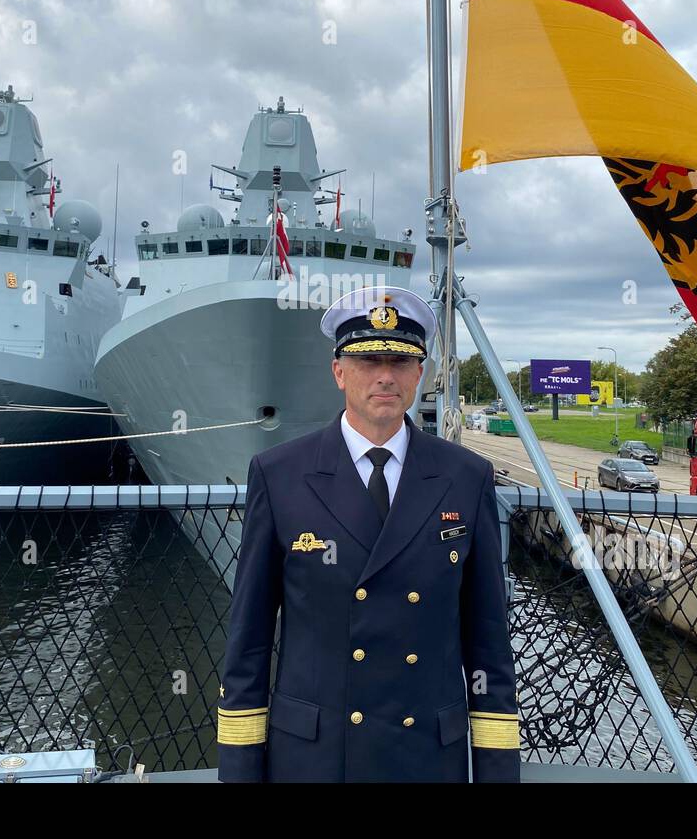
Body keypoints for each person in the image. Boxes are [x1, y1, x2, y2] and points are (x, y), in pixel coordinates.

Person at [215, 285, 519, 782]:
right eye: (367, 361)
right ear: (338, 372)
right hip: (315, 757)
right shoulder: (280, 474)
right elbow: (248, 642)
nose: (384, 376)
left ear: (419, 374)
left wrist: (497, 773)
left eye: (400, 363)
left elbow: (488, 642)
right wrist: (240, 772)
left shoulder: (467, 477)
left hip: (425, 755)